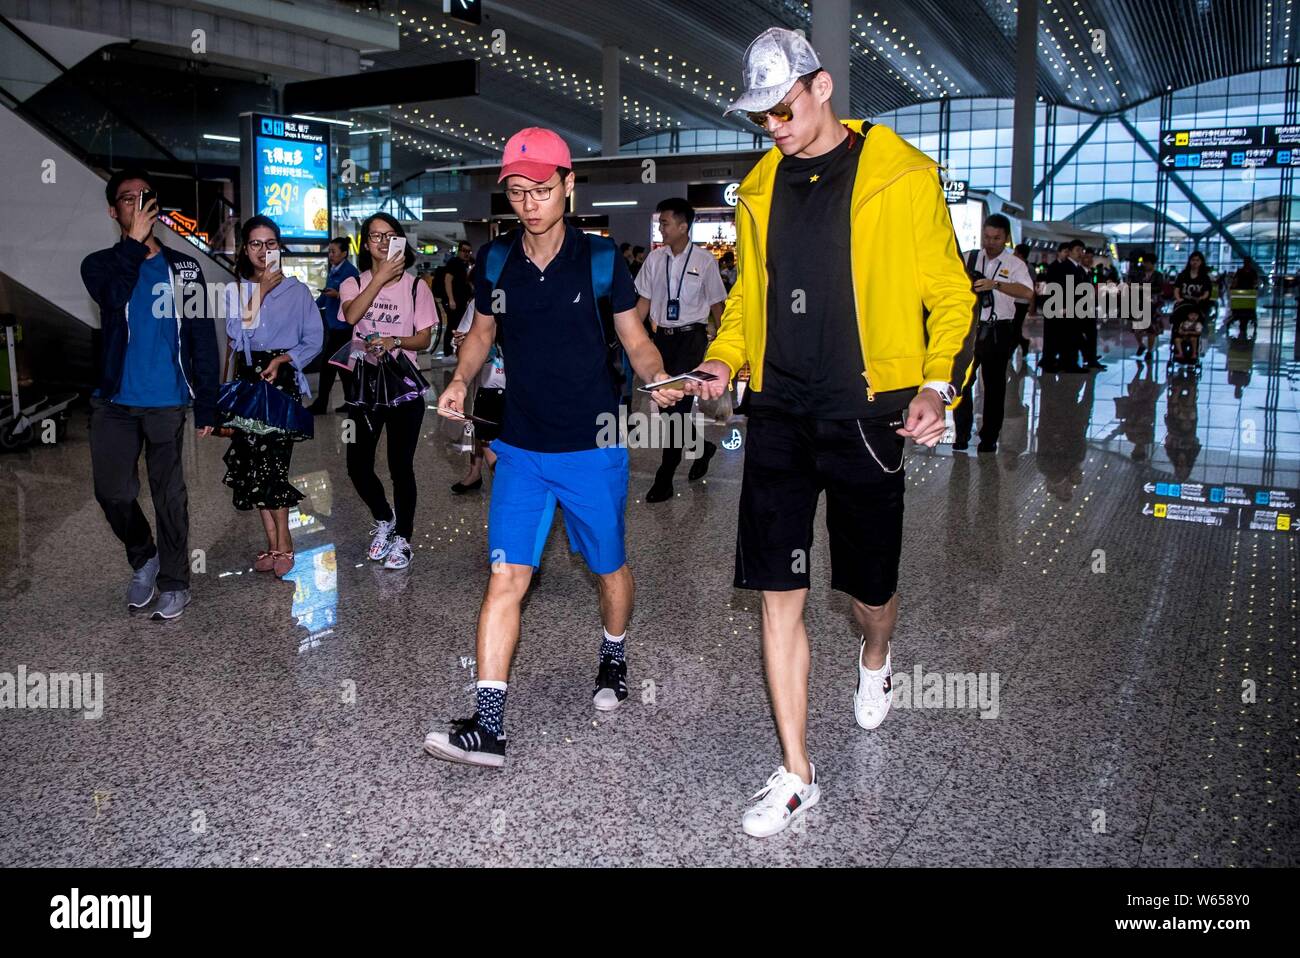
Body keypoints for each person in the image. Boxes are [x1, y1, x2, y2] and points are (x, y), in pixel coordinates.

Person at [683, 28, 977, 837]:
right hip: (777, 411)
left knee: (868, 591)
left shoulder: (902, 178)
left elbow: (952, 296)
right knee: (781, 594)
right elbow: (749, 303)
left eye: (782, 110)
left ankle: (877, 657)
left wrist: (935, 382)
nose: (772, 128)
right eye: (760, 118)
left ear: (821, 88)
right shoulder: (758, 190)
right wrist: (720, 359)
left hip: (866, 412)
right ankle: (796, 771)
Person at [423, 126, 678, 768]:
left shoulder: (598, 260)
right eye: (517, 190)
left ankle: (614, 652)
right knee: (506, 575)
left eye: (542, 188)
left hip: (593, 447)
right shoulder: (495, 261)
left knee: (608, 567)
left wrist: (658, 380)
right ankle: (487, 726)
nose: (530, 201)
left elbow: (635, 338)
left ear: (568, 185)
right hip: (520, 449)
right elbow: (481, 335)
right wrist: (459, 380)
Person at [80, 167, 220, 621]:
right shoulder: (100, 263)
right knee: (112, 492)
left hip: (166, 399)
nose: (138, 204)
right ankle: (144, 556)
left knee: (169, 494)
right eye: (127, 198)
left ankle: (176, 581)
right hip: (114, 401)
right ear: (112, 210)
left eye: (146, 196)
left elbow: (202, 335)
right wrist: (133, 244)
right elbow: (112, 297)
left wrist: (207, 403)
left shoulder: (185, 266)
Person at [220, 216, 323, 577]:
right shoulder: (237, 290)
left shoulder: (298, 291)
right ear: (245, 250)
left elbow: (314, 340)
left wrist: (284, 359)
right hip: (249, 383)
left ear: (280, 246)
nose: (264, 252)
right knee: (251, 466)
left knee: (273, 466)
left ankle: (286, 543)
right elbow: (235, 332)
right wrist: (260, 290)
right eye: (255, 244)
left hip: (280, 382)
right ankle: (271, 543)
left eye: (270, 244)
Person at [339, 213, 438, 571]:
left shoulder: (416, 287)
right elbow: (351, 317)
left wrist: (396, 339)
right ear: (366, 244)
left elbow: (425, 339)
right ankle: (385, 517)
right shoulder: (354, 282)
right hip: (365, 382)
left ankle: (404, 538)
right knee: (357, 465)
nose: (382, 241)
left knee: (401, 466)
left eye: (390, 235)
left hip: (403, 384)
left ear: (400, 240)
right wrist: (379, 279)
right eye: (376, 236)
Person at [635, 197, 728, 501]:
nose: (660, 227)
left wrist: (724, 348)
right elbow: (644, 302)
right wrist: (630, 335)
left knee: (679, 408)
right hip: (662, 341)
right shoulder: (654, 260)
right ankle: (704, 448)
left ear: (682, 226)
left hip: (692, 339)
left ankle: (665, 476)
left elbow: (717, 305)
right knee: (665, 406)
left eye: (664, 222)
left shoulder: (704, 261)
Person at [955, 214, 1034, 453]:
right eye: (987, 237)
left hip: (998, 331)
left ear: (1006, 238)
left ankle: (989, 437)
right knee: (963, 384)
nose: (990, 242)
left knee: (994, 387)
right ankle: (961, 433)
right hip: (969, 330)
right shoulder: (970, 257)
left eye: (996, 238)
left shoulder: (1015, 264)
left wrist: (995, 285)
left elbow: (1027, 293)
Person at [449, 303, 504, 494]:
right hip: (490, 385)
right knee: (484, 433)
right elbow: (463, 347)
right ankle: (478, 473)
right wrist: (463, 344)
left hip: (526, 387)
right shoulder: (479, 302)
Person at [309, 237, 360, 414]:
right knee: (342, 366)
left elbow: (355, 298)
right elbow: (325, 294)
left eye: (333, 251)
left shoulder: (350, 272)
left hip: (344, 326)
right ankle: (351, 401)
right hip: (334, 325)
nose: (330, 255)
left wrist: (338, 295)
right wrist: (311, 307)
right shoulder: (334, 270)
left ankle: (322, 403)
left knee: (328, 365)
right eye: (329, 251)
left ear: (344, 253)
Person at [1042, 240, 1089, 372]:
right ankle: (1067, 363)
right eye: (1077, 250)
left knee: (1071, 335)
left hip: (1075, 307)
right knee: (1067, 336)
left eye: (1082, 250)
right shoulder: (1064, 267)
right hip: (1066, 308)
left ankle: (1068, 362)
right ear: (1070, 251)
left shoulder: (1078, 269)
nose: (1080, 253)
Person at [440, 240, 473, 358]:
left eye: (468, 251)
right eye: (464, 251)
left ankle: (457, 351)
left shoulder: (467, 264)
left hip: (463, 300)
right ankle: (448, 353)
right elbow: (447, 280)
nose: (466, 254)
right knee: (452, 326)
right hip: (454, 300)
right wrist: (451, 299)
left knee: (460, 325)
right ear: (459, 251)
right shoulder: (454, 263)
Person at [1131, 256, 1164, 361]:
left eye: (1147, 263)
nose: (1145, 265)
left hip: (1153, 304)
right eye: (1145, 263)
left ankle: (1149, 351)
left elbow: (1159, 288)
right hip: (1140, 303)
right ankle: (1141, 344)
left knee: (1151, 329)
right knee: (1136, 328)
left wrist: (1144, 288)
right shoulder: (1139, 275)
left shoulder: (1158, 275)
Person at [1011, 243, 1033, 359]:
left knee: (1015, 326)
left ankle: (1017, 346)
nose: (1013, 254)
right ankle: (1020, 343)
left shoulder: (1028, 268)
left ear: (1019, 254)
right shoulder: (1014, 266)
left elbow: (1032, 288)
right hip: (1013, 301)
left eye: (1015, 252)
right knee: (1014, 326)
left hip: (1022, 303)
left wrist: (1031, 305)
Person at [1229, 258, 1259, 339]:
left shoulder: (1250, 272)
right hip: (1243, 294)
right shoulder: (1244, 272)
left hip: (1246, 294)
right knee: (1245, 308)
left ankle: (1241, 324)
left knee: (1243, 308)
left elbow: (1255, 282)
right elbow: (1235, 281)